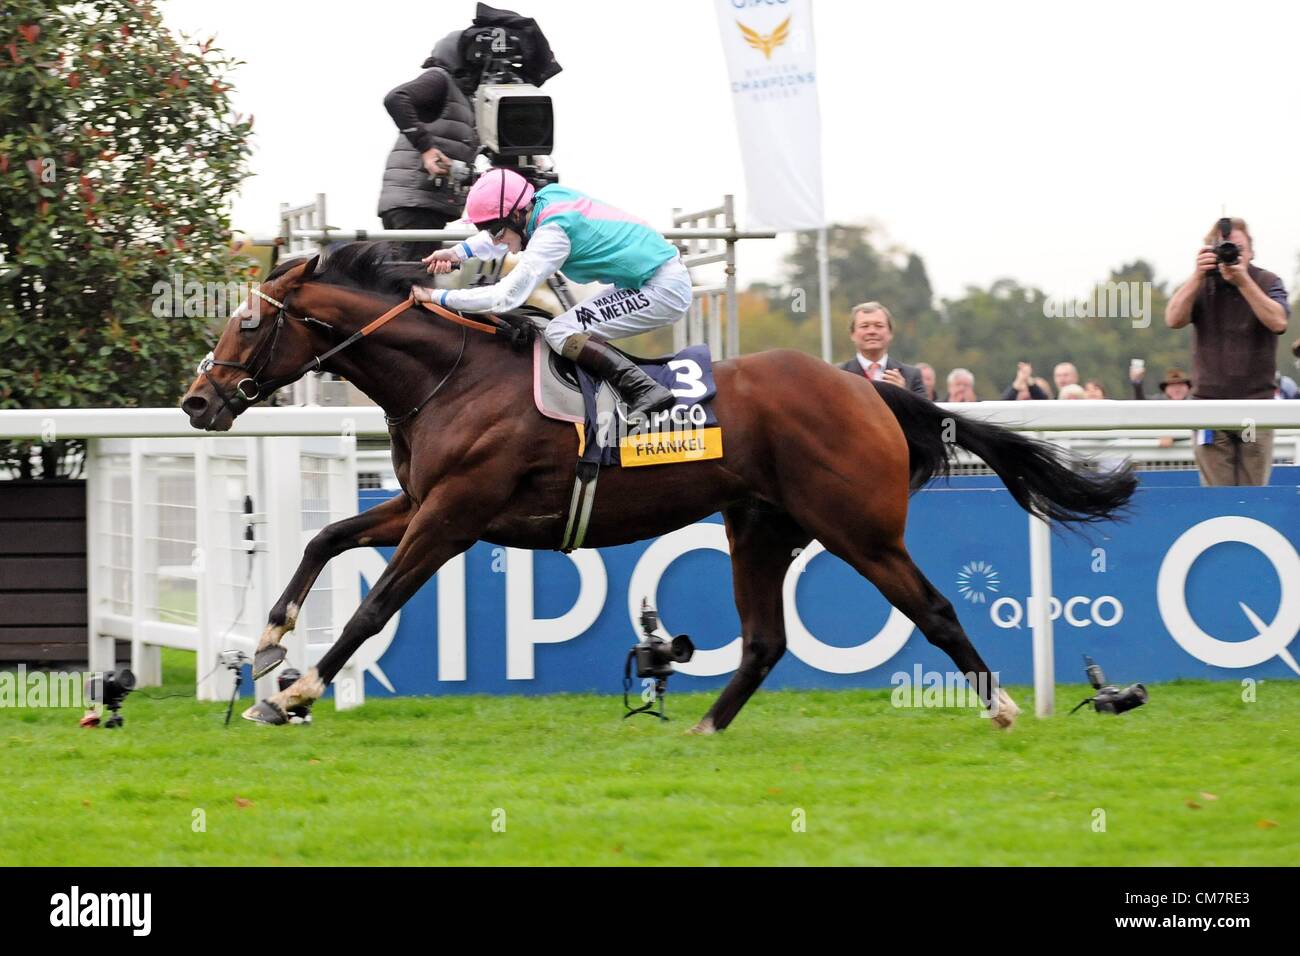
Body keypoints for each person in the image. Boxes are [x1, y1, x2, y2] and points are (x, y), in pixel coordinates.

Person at [414, 167, 690, 419]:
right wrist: (457, 253)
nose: (498, 241)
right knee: (563, 327)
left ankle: (644, 389)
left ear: (518, 214)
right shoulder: (543, 200)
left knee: (560, 331)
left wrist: (437, 297)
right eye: (488, 231)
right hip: (643, 280)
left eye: (495, 231)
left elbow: (503, 297)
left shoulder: (553, 233)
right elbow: (507, 234)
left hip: (661, 288)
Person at [1165, 216, 1289, 486]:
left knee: (1254, 493)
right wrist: (1198, 274)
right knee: (1216, 495)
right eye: (1225, 247)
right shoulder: (1200, 283)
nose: (1232, 253)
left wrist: (1244, 282)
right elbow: (1173, 319)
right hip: (1208, 405)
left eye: (1239, 248)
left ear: (1252, 251)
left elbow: (1279, 322)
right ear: (1211, 251)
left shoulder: (1268, 281)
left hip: (1256, 406)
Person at [377, 31, 482, 261]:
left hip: (424, 203)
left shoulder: (466, 99)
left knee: (412, 282)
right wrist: (426, 148)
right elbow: (396, 98)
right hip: (414, 202)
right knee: (413, 283)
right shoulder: (440, 78)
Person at [836, 302, 927, 396]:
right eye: (864, 326)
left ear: (890, 333)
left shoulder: (912, 376)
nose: (872, 331)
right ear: (852, 334)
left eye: (879, 326)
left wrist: (903, 394)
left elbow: (924, 410)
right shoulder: (837, 375)